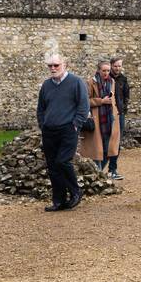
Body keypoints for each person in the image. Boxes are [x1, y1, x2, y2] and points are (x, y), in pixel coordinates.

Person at [36, 54, 90, 212]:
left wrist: (75, 125)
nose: (53, 68)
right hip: (49, 130)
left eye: (56, 65)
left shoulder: (76, 82)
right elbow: (41, 108)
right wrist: (43, 124)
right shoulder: (46, 85)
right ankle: (59, 200)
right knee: (52, 166)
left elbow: (83, 106)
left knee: (62, 161)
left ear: (65, 65)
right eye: (50, 66)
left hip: (68, 129)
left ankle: (75, 191)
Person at [85, 59, 123, 179]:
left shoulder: (112, 81)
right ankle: (97, 173)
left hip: (110, 119)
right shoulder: (91, 82)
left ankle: (100, 172)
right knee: (97, 149)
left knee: (109, 148)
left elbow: (114, 99)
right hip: (97, 119)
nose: (106, 73)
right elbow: (85, 101)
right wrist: (101, 101)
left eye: (108, 70)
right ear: (98, 70)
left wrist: (117, 112)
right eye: (104, 70)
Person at [109, 56, 130, 142]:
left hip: (120, 112)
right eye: (115, 66)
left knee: (118, 136)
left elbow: (126, 96)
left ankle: (116, 154)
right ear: (111, 65)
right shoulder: (107, 78)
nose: (118, 68)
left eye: (119, 66)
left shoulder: (123, 79)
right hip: (108, 111)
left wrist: (123, 108)